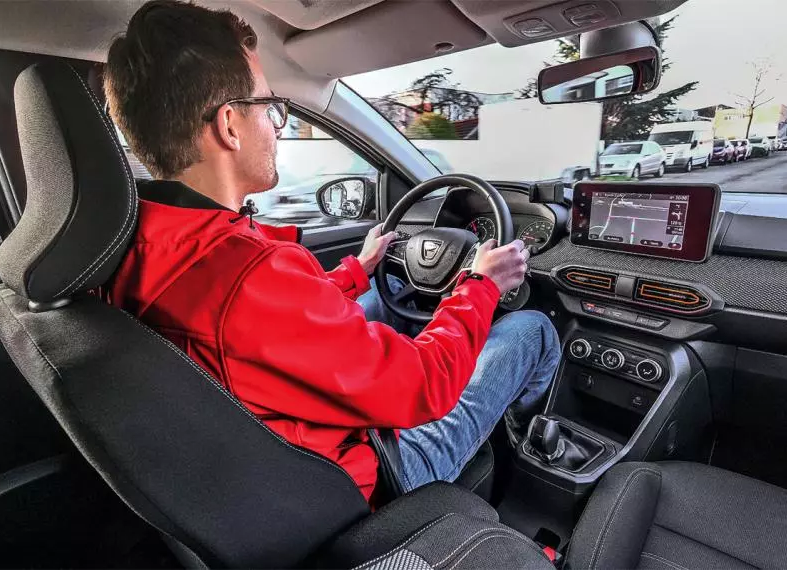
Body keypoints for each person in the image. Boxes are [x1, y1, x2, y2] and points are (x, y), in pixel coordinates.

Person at [103, 0, 560, 502]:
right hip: (369, 474)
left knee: (378, 307)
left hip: (267, 463)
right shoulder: (252, 275)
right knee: (529, 330)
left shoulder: (137, 248)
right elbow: (424, 385)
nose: (275, 124)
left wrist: (355, 271)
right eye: (267, 106)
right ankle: (525, 455)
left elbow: (263, 326)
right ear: (230, 124)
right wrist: (482, 284)